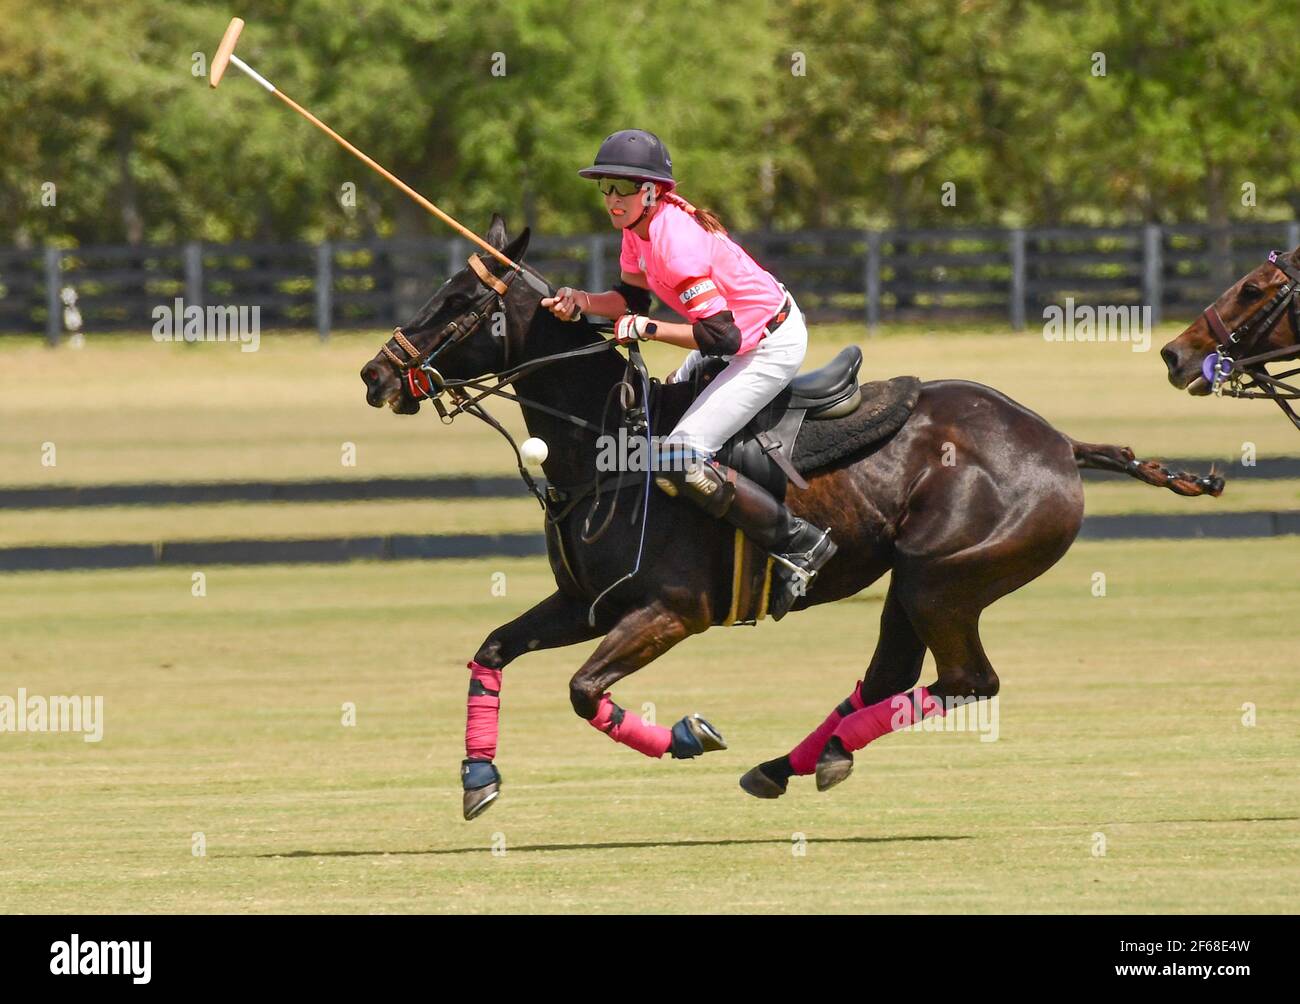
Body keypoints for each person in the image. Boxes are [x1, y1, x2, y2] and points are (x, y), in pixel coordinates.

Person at [540, 129, 836, 620]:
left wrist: (650, 329)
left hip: (767, 343)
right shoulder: (637, 230)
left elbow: (723, 340)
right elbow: (631, 299)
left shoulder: (676, 243)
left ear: (652, 191)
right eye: (606, 187)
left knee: (679, 455)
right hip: (740, 334)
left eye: (623, 187)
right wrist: (582, 302)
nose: (612, 199)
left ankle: (799, 542)